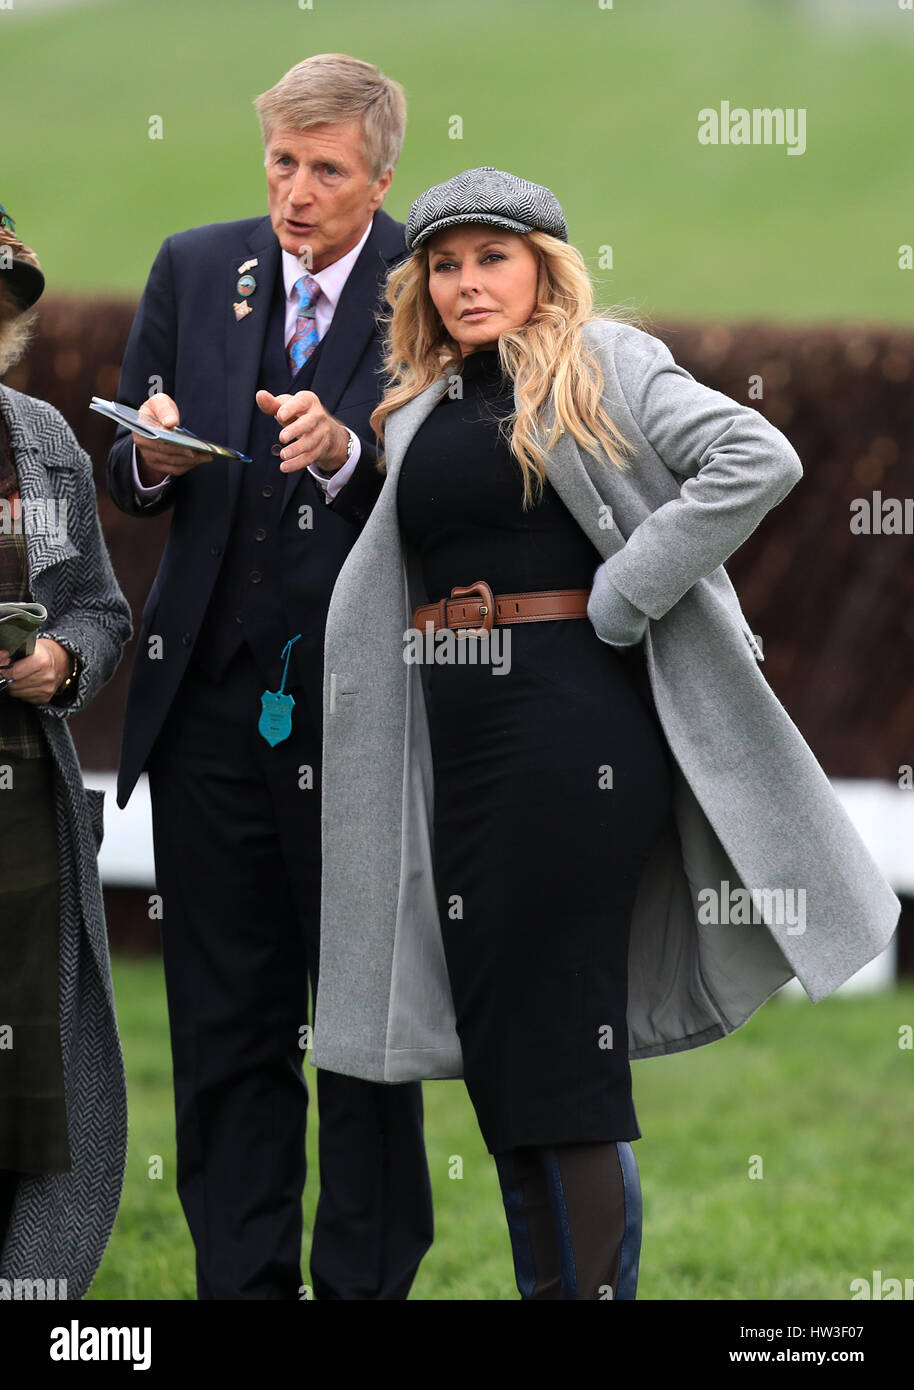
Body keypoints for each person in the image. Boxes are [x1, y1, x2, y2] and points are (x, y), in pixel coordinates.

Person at [310, 167, 902, 1300]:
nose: (466, 282)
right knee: (505, 1057)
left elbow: (754, 457)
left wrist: (624, 589)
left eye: (493, 257)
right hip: (469, 749)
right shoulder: (430, 400)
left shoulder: (602, 360)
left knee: (552, 1055)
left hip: (566, 742)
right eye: (444, 263)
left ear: (545, 265)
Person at [106, 54, 432, 1301]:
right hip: (203, 717)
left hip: (363, 718)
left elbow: (459, 489)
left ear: (380, 177)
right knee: (224, 1028)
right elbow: (123, 474)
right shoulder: (195, 264)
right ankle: (241, 1288)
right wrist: (152, 462)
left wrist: (350, 454)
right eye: (282, 164)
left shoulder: (432, 277)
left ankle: (361, 1285)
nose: (296, 194)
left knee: (361, 1031)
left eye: (327, 171)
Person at [0, 205, 132, 1298]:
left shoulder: (41, 440)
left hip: (23, 811)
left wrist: (61, 660)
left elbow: (98, 607)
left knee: (28, 1078)